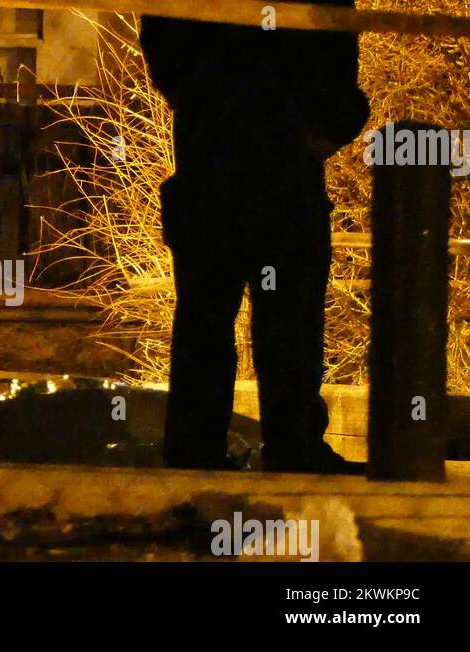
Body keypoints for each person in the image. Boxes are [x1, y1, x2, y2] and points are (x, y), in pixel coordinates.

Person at [139, 5, 370, 473]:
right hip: (278, 159)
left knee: (208, 319)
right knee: (286, 320)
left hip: (216, 154)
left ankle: (198, 447)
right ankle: (290, 444)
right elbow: (335, 45)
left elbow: (164, 42)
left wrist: (206, 102)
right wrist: (327, 123)